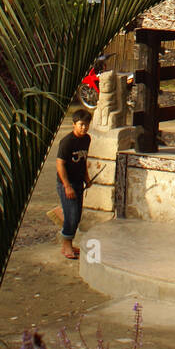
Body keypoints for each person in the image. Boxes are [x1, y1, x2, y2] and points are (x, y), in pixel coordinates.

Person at [56, 109, 93, 259]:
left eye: (86, 125)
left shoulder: (87, 139)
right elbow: (60, 165)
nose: (84, 127)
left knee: (76, 216)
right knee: (71, 216)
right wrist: (67, 186)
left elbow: (83, 161)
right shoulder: (66, 142)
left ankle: (69, 244)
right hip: (67, 183)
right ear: (74, 125)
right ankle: (66, 247)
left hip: (78, 182)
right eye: (81, 124)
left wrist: (87, 178)